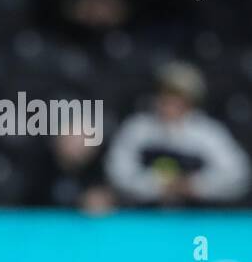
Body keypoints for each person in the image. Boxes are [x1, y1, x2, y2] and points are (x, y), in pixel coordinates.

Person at [105, 61, 250, 207]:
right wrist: (156, 186)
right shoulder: (137, 128)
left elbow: (237, 174)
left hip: (196, 215)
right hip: (143, 214)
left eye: (178, 97)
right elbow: (118, 172)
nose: (170, 103)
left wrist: (194, 185)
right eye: (166, 95)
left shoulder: (208, 132)